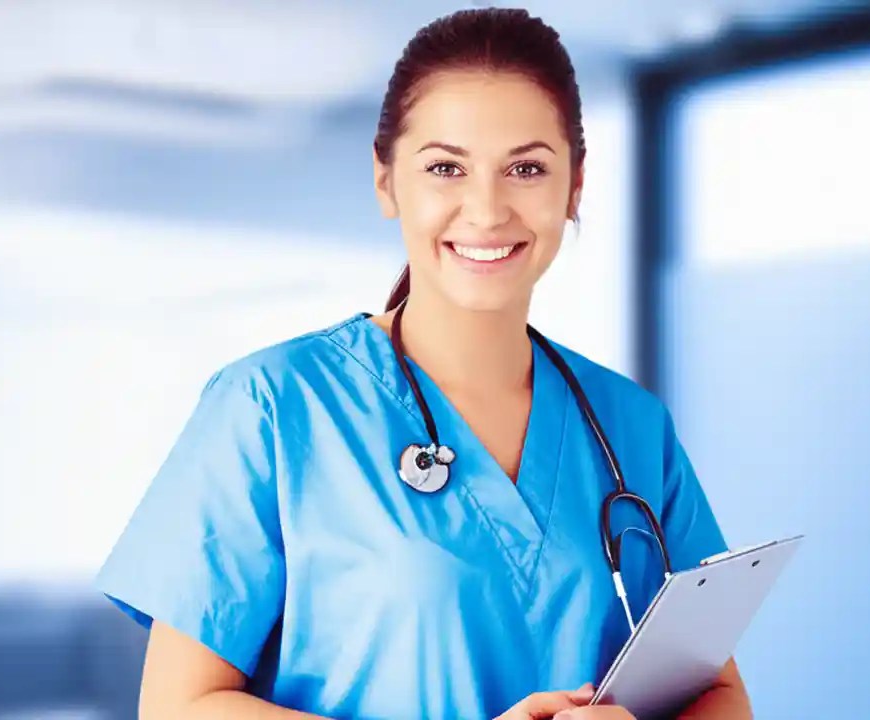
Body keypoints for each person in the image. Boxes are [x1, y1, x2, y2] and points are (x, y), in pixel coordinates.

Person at [95, 8, 751, 719]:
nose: (487, 208)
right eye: (445, 167)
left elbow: (718, 693)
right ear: (386, 182)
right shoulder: (271, 406)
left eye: (527, 168)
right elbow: (178, 706)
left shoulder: (632, 426)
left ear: (575, 186)